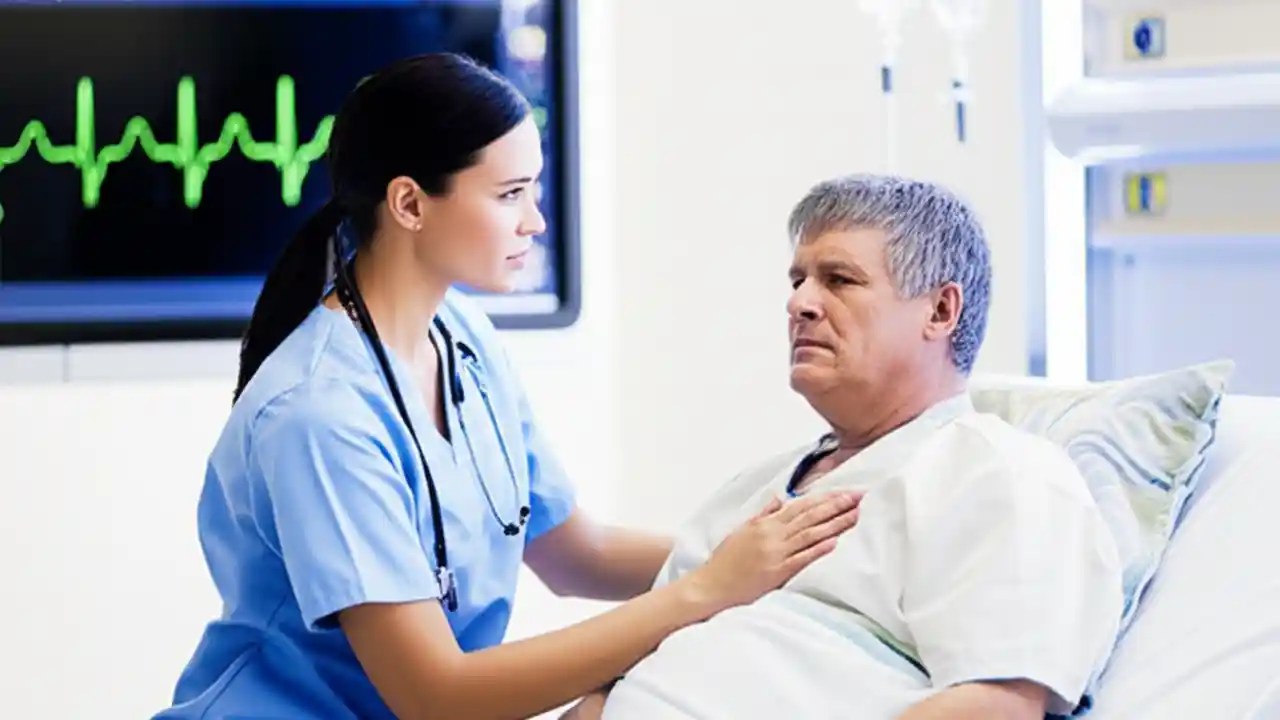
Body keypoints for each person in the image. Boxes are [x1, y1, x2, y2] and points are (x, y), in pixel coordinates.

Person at [153, 53, 863, 720]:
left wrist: (764, 554)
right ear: (409, 204)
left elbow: (573, 554)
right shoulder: (319, 415)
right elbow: (434, 695)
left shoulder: (460, 336)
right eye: (510, 195)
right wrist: (705, 590)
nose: (536, 222)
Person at [579, 175, 1125, 720]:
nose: (799, 303)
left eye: (839, 280)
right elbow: (627, 667)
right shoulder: (749, 494)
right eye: (798, 280)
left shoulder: (999, 475)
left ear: (940, 311)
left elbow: (995, 705)